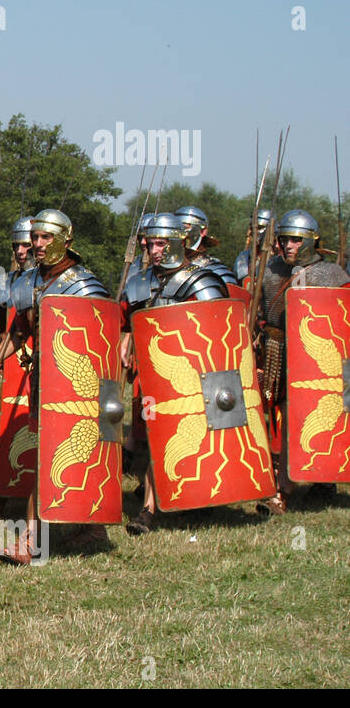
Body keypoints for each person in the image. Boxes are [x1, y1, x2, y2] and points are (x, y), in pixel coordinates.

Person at [0, 209, 110, 563]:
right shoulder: (29, 282)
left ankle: (35, 542)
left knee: (65, 457)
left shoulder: (84, 285)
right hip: (43, 384)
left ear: (65, 239)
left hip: (76, 386)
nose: (37, 244)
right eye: (34, 238)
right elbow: (19, 332)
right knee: (48, 456)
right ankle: (88, 529)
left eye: (45, 238)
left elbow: (96, 339)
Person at [118, 213, 228, 534]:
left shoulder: (201, 281)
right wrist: (125, 341)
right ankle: (148, 510)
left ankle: (205, 495)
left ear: (178, 244)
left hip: (196, 377)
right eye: (150, 243)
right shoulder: (140, 282)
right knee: (155, 438)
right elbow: (125, 321)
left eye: (161, 243)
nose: (153, 250)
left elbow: (217, 332)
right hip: (156, 376)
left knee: (200, 440)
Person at [256, 209, 350, 514]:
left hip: (316, 360)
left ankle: (286, 490)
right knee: (277, 414)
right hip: (276, 352)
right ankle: (283, 478)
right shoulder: (271, 270)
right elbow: (262, 313)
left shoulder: (332, 275)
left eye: (295, 240)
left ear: (311, 241)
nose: (288, 246)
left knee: (315, 417)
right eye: (284, 239)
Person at [175, 206, 241, 288]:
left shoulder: (216, 271)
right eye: (175, 228)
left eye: (185, 227)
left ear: (202, 231)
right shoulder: (163, 268)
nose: (179, 233)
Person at [234, 208, 274, 284]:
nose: (251, 232)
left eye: (259, 228)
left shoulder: (274, 260)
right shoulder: (242, 258)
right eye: (251, 228)